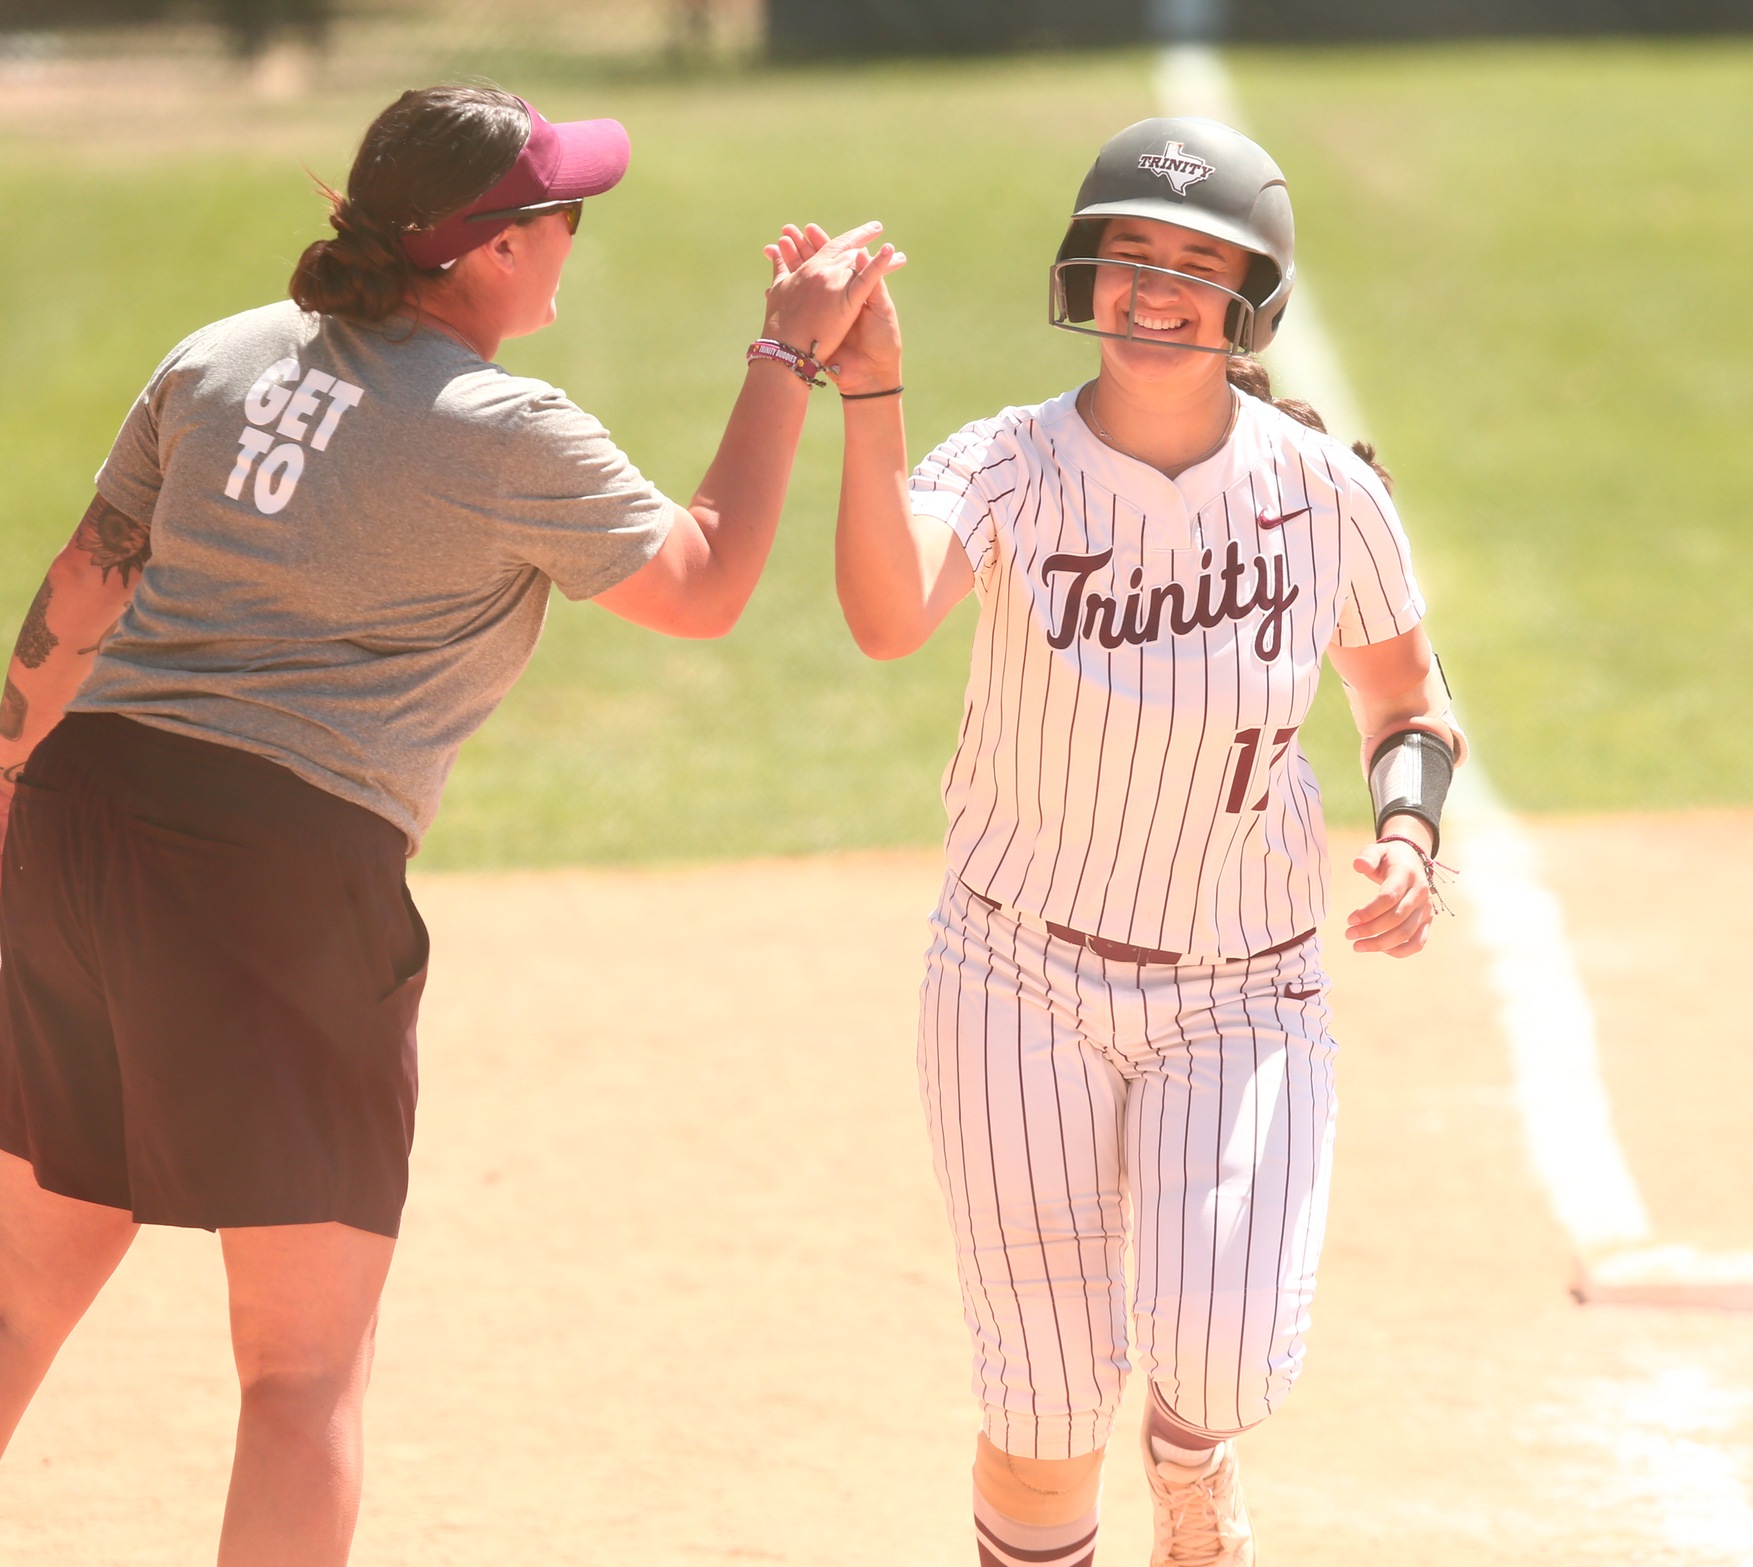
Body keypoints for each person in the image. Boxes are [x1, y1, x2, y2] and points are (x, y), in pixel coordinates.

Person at [0, 84, 899, 1564]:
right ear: (491, 250)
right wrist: (786, 353)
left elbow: (88, 583)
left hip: (81, 813)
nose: (576, 235)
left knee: (20, 1290)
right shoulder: (499, 425)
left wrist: (8, 801)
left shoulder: (220, 353)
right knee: (301, 1371)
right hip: (279, 869)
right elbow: (706, 583)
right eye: (564, 214)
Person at [822, 117, 1466, 1567]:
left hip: (1244, 987)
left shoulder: (1326, 495)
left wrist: (1412, 837)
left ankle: (1191, 1452)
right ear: (1085, 270)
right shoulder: (1006, 465)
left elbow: (1407, 702)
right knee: (1043, 1399)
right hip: (1011, 974)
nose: (1157, 287)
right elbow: (885, 617)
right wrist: (870, 396)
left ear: (1253, 298)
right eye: (1131, 252)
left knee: (1225, 1355)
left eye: (1196, 261)